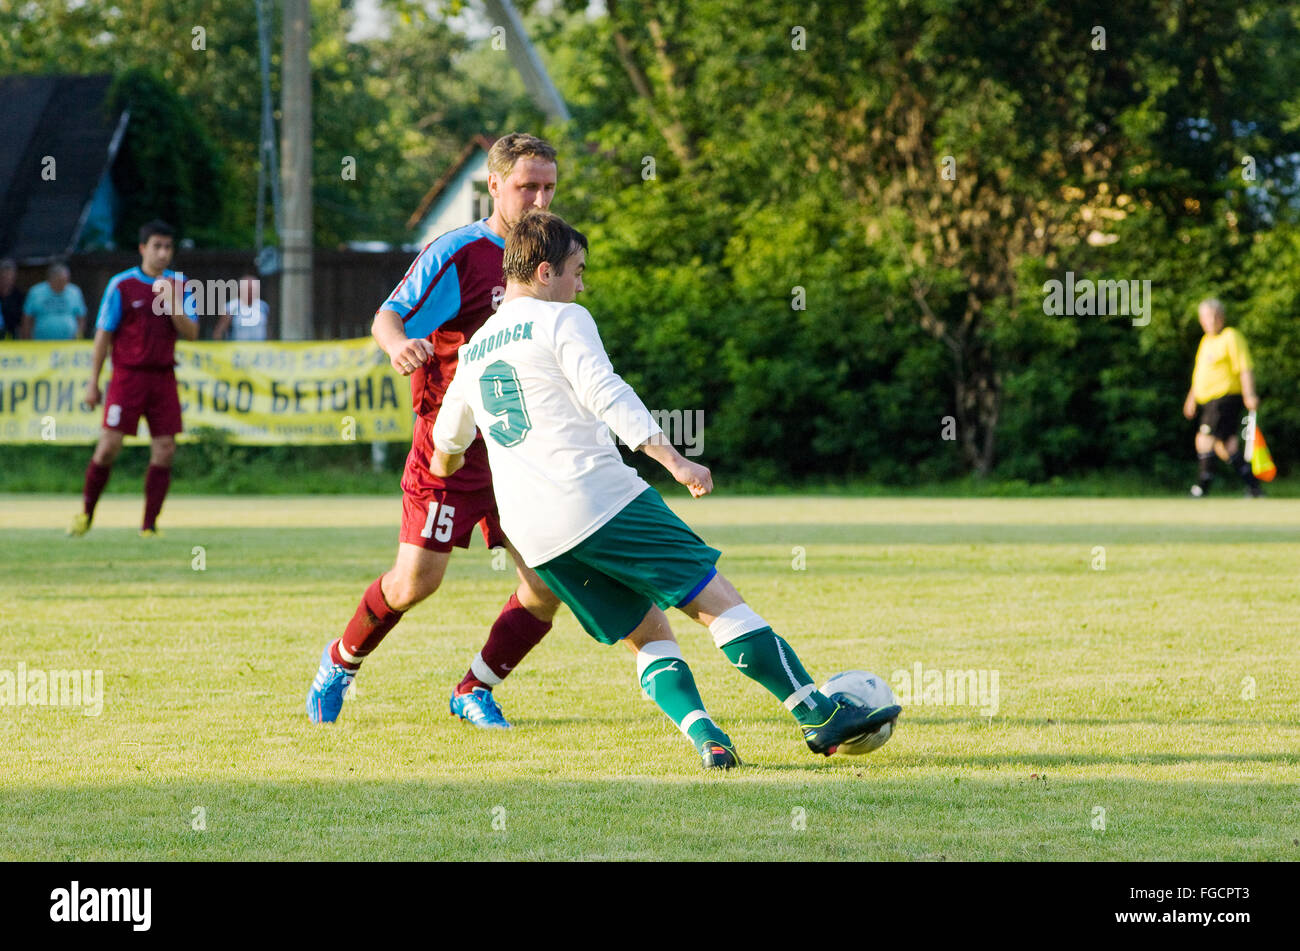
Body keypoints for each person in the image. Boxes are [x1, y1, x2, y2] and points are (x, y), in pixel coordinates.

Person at [430, 210, 901, 769]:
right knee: (716, 600)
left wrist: (447, 460)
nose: (582, 285)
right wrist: (674, 460)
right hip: (599, 501)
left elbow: (446, 443)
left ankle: (708, 739)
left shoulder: (475, 349)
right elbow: (607, 392)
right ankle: (817, 714)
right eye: (577, 271)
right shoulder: (563, 319)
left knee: (648, 632)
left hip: (536, 536)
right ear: (543, 270)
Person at [306, 133, 564, 728]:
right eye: (528, 186)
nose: (541, 198)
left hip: (520, 447)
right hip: (450, 445)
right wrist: (400, 347)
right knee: (417, 582)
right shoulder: (460, 252)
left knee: (549, 581)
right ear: (494, 186)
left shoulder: (553, 249)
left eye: (549, 185)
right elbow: (388, 315)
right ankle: (341, 661)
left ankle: (475, 688)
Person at [68, 220, 198, 537]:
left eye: (168, 247)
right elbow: (103, 336)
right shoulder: (121, 285)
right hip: (128, 377)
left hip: (163, 378)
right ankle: (86, 513)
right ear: (143, 248)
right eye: (157, 246)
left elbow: (192, 333)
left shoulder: (181, 285)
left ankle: (149, 526)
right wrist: (93, 382)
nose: (163, 253)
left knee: (165, 448)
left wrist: (171, 303)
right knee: (109, 446)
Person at [1182, 298, 1262, 497]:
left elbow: (1244, 368)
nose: (1210, 321)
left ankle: (1202, 487)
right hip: (1208, 401)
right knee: (1226, 446)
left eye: (1214, 316)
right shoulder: (1205, 342)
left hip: (1224, 399)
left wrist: (1249, 393)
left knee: (1204, 439)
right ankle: (1253, 487)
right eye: (1206, 317)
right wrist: (1191, 397)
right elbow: (1200, 374)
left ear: (1222, 318)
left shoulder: (1230, 337)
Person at [21, 263, 87, 340]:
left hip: (69, 344)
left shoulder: (75, 292)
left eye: (66, 281)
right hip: (40, 343)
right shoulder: (36, 292)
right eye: (60, 281)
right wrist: (26, 339)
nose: (64, 284)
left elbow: (81, 317)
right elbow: (27, 318)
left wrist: (78, 336)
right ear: (50, 279)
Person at [214, 273, 269, 341]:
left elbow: (268, 330)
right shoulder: (231, 307)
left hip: (259, 350)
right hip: (237, 350)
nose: (251, 292)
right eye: (248, 289)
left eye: (253, 289)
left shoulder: (263, 306)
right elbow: (220, 331)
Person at [0, 259, 24, 340]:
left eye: (10, 276)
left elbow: (22, 319)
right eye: (4, 276)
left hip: (12, 333)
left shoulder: (18, 295)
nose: (6, 280)